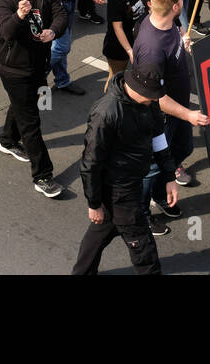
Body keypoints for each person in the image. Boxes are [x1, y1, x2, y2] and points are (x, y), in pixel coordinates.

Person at [71, 64, 178, 274]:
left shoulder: (149, 102)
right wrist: (94, 203)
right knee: (143, 246)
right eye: (152, 96)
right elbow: (90, 163)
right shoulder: (106, 113)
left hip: (133, 181)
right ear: (137, 89)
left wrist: (169, 176)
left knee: (101, 232)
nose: (155, 100)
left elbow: (158, 138)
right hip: (119, 189)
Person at [0, 0, 69, 198]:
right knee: (31, 122)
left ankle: (7, 140)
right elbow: (6, 32)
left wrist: (53, 31)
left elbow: (60, 14)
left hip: (38, 63)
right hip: (15, 69)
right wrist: (19, 15)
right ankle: (43, 176)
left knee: (22, 105)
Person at [131, 0, 210, 215]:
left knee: (183, 147)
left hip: (179, 108)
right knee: (153, 166)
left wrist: (182, 45)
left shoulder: (169, 22)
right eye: (181, 0)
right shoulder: (151, 50)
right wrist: (188, 114)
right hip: (161, 117)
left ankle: (158, 193)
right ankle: (141, 214)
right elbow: (154, 96)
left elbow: (173, 43)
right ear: (176, 6)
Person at [102, 0, 147, 91]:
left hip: (134, 41)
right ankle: (107, 105)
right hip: (118, 45)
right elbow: (118, 28)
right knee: (115, 80)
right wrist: (129, 51)